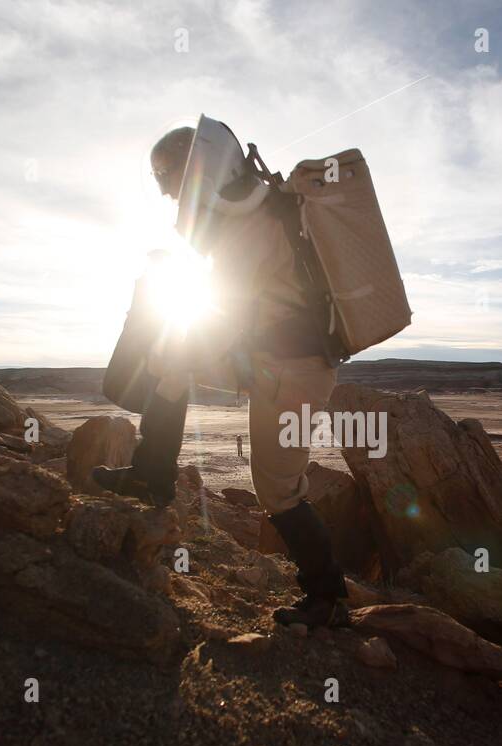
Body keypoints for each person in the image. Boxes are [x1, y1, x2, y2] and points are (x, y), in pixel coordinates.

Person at [94, 118, 350, 628]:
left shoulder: (248, 224)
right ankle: (152, 475)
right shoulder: (251, 212)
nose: (169, 196)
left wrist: (160, 297)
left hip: (290, 372)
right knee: (172, 357)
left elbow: (228, 309)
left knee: (277, 492)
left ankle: (330, 600)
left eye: (167, 181)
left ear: (189, 172)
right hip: (273, 362)